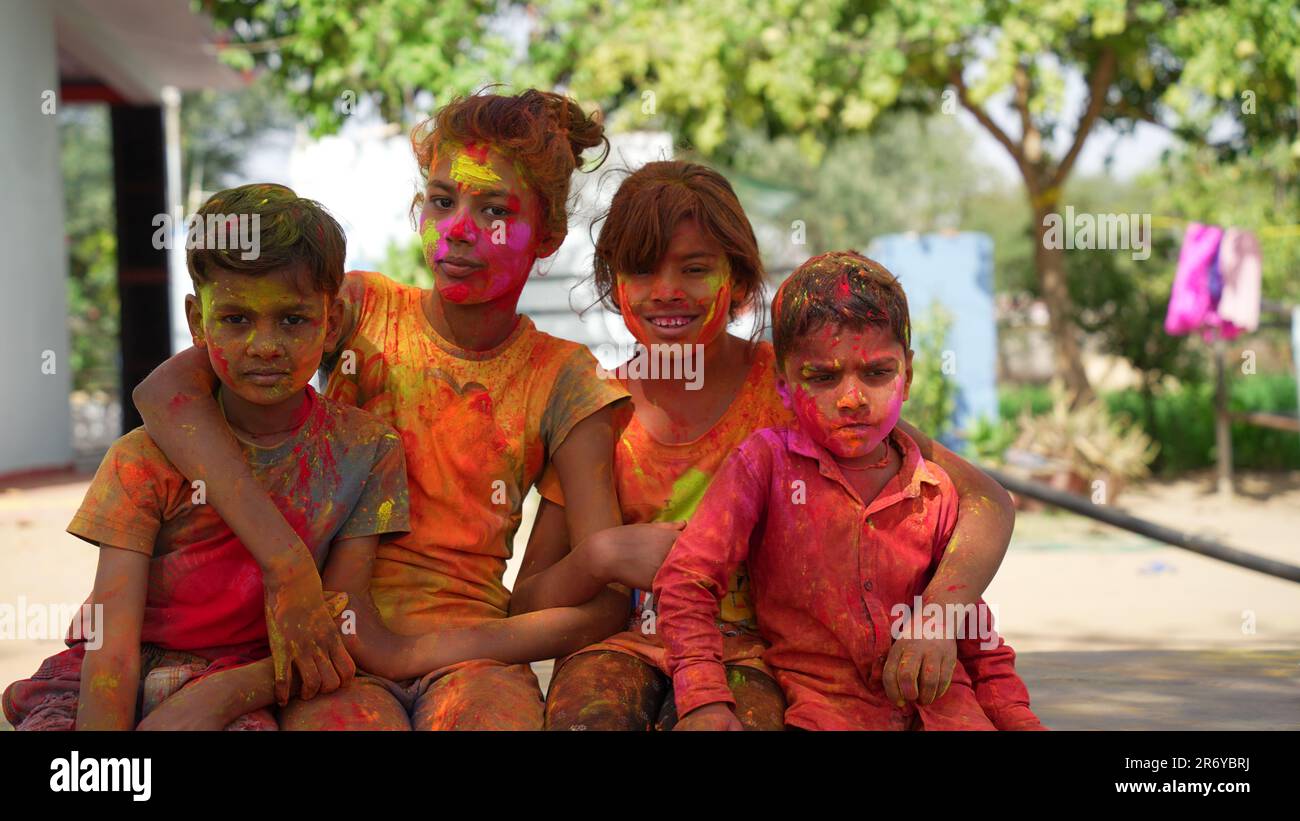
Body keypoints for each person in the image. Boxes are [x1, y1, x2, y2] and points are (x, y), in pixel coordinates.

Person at [130, 90, 666, 730]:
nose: (459, 228)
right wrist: (287, 564)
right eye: (442, 200)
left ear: (547, 235)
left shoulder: (564, 377)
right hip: (325, 637)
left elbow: (600, 604)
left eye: (494, 209)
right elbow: (164, 395)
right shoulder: (355, 309)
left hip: (473, 657)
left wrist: (419, 650)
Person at [3, 184, 408, 730]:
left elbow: (335, 623)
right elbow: (112, 649)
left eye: (292, 320)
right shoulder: (141, 460)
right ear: (198, 322)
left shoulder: (367, 452)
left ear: (330, 323)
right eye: (236, 319)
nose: (265, 346)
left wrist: (219, 694)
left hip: (246, 676)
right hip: (102, 678)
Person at [655, 250, 1044, 730]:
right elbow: (685, 580)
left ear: (909, 375)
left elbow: (978, 636)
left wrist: (1018, 719)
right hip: (825, 712)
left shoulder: (936, 490)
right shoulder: (765, 466)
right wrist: (704, 699)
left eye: (878, 373)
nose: (852, 399)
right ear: (783, 384)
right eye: (822, 377)